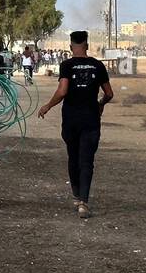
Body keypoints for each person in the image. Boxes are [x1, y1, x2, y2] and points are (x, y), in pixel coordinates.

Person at [37, 30, 114, 219]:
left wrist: (48, 105)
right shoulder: (97, 65)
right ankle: (84, 204)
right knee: (87, 161)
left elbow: (63, 91)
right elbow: (109, 93)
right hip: (91, 119)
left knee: (73, 157)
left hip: (71, 119)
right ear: (87, 46)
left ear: (71, 47)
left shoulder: (67, 65)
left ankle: (76, 195)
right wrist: (100, 104)